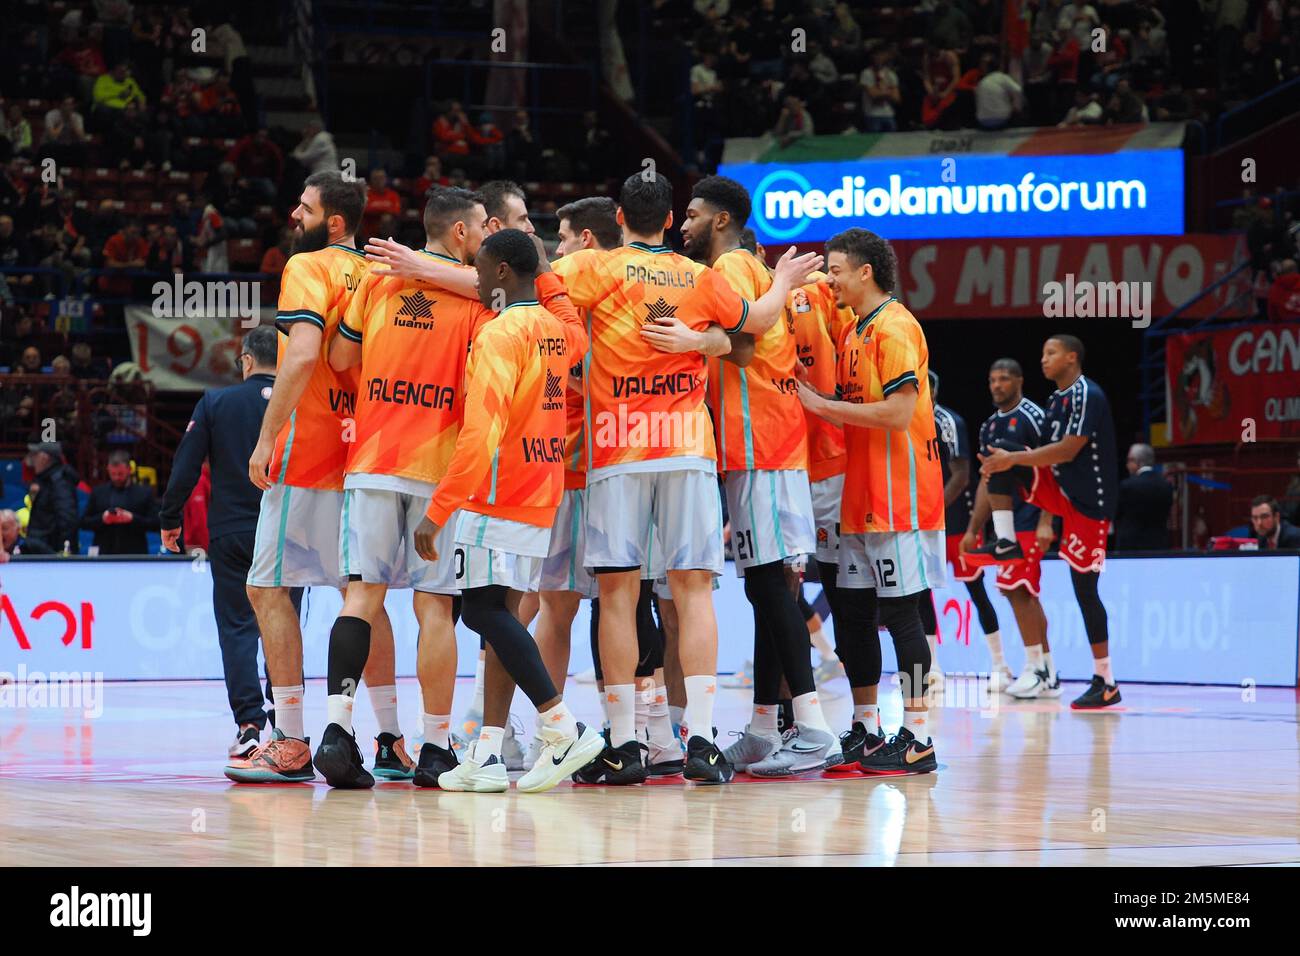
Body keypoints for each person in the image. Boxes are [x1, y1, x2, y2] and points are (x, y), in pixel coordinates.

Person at [552, 171, 819, 783]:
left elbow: (514, 280)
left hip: (618, 452)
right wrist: (774, 285)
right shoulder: (702, 277)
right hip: (689, 451)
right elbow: (757, 323)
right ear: (671, 220)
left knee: (620, 595)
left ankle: (624, 744)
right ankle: (699, 740)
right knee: (693, 592)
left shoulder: (597, 268)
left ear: (618, 218)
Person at [323, 187, 570, 790]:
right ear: (462, 235)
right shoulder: (483, 305)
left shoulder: (377, 282)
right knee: (436, 609)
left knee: (361, 598)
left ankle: (335, 730)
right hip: (442, 473)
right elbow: (532, 308)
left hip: (376, 457)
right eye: (481, 229)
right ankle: (435, 748)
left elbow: (336, 356)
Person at [412, 228, 603, 793]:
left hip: (494, 494)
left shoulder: (499, 335)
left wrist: (438, 511)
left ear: (500, 274)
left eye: (480, 266)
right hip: (541, 492)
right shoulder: (556, 331)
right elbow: (574, 326)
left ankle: (561, 725)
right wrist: (543, 266)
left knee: (478, 614)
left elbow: (480, 435)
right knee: (500, 619)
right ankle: (489, 755)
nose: (473, 275)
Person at [234, 171, 407, 785]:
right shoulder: (386, 271)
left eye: (303, 209)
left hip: (310, 450)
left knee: (266, 589)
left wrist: (264, 438)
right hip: (371, 451)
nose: (292, 216)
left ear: (333, 223)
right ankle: (389, 739)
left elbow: (304, 353)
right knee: (363, 596)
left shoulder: (308, 267)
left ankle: (290, 739)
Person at [680, 175, 838, 778]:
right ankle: (766, 727)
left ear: (722, 220)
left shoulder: (734, 269)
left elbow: (742, 345)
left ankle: (814, 726)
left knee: (772, 586)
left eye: (692, 215)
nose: (683, 224)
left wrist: (687, 339)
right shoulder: (751, 269)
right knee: (766, 586)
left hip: (764, 442)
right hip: (760, 447)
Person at [797, 228, 944, 774]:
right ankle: (866, 726)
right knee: (855, 611)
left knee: (903, 614)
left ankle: (919, 735)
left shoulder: (896, 325)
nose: (829, 279)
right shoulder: (857, 329)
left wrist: (821, 406)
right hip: (861, 494)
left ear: (865, 272)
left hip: (899, 494)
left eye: (835, 269)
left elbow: (899, 415)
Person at [159, 326, 288, 757]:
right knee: (284, 628)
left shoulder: (216, 402)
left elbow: (186, 466)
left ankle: (250, 726)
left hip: (232, 532)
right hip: (288, 530)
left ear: (246, 361)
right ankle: (289, 727)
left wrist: (169, 518)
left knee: (238, 629)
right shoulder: (299, 400)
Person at [977, 334, 1122, 709]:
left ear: (1072, 357)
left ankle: (1105, 680)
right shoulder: (1055, 400)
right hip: (1061, 492)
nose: (1043, 360)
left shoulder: (1087, 394)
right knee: (1003, 453)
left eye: (1051, 353)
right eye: (1042, 353)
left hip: (1089, 504)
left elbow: (1066, 449)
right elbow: (1039, 456)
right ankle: (1004, 538)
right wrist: (1008, 463)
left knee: (1085, 591)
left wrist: (1018, 470)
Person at [961, 359, 1061, 699]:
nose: (997, 385)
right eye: (992, 380)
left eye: (1003, 379)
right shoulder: (989, 426)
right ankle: (1047, 670)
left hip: (1033, 514)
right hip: (1006, 521)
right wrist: (974, 527)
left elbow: (1052, 468)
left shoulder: (1034, 416)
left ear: (1019, 380)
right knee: (1020, 590)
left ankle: (1036, 669)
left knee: (1017, 588)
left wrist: (1048, 520)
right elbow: (986, 479)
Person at [928, 370, 1013, 692]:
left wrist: (933, 512)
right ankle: (932, 670)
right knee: (922, 596)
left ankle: (1001, 667)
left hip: (955, 524)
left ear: (931, 390)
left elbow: (962, 476)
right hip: (924, 526)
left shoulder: (948, 421)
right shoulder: (905, 420)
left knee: (977, 592)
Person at [80, 449, 160, 555]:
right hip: (104, 553)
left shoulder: (144, 493)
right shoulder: (98, 492)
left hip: (135, 554)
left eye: (120, 474)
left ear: (129, 469)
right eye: (113, 474)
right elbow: (83, 522)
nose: (117, 477)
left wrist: (132, 518)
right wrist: (103, 518)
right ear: (108, 469)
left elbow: (156, 524)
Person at [22, 442, 80, 555]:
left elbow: (67, 519)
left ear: (45, 458)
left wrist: (64, 550)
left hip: (50, 550)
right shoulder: (45, 480)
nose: (32, 458)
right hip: (40, 546)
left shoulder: (60, 482)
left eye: (35, 455)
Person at [1114, 443, 1173, 551]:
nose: (1127, 465)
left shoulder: (1127, 485)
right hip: (1159, 545)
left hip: (1130, 547)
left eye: (1128, 461)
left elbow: (1117, 514)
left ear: (1136, 461)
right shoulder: (1166, 485)